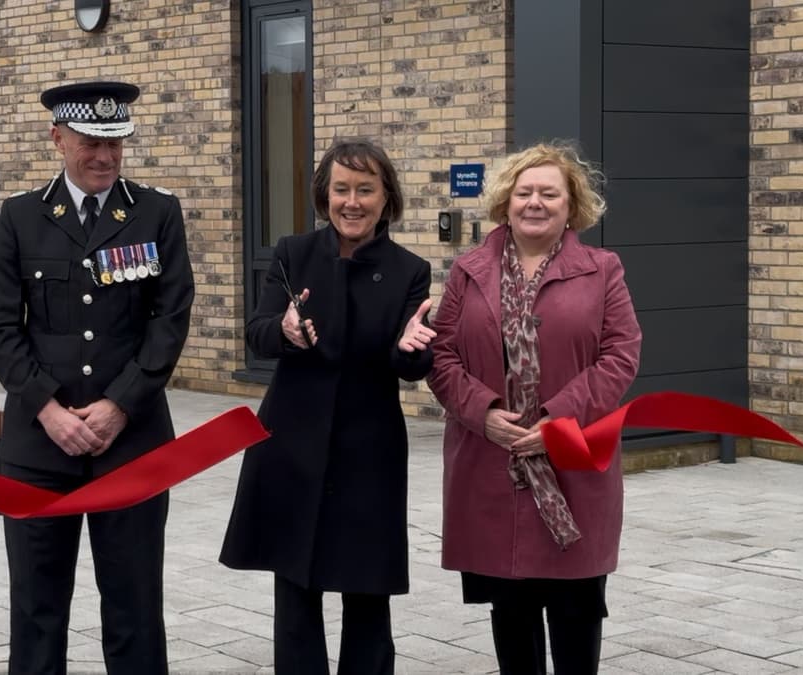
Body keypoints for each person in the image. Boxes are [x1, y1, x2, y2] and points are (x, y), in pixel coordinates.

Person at [0, 80, 194, 675]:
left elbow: (169, 320)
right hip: (38, 447)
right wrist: (48, 410)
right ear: (58, 139)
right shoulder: (21, 217)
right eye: (90, 143)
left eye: (114, 143)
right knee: (36, 608)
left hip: (131, 443)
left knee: (134, 606)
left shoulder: (156, 212)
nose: (104, 156)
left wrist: (119, 405)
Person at [219, 139, 436, 674]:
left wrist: (414, 348)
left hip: (369, 452)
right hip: (291, 445)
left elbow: (408, 366)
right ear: (324, 195)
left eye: (366, 190)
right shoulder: (293, 253)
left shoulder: (409, 269)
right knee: (296, 588)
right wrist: (285, 329)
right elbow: (258, 333)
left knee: (368, 591)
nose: (352, 202)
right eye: (341, 189)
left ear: (386, 198)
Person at [426, 142, 641, 675]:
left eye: (550, 193)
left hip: (572, 463)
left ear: (572, 206)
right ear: (506, 201)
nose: (535, 203)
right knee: (511, 612)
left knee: (576, 614)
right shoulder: (468, 271)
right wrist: (483, 412)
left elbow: (621, 355)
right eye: (525, 192)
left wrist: (558, 419)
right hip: (491, 467)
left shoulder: (603, 270)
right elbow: (441, 355)